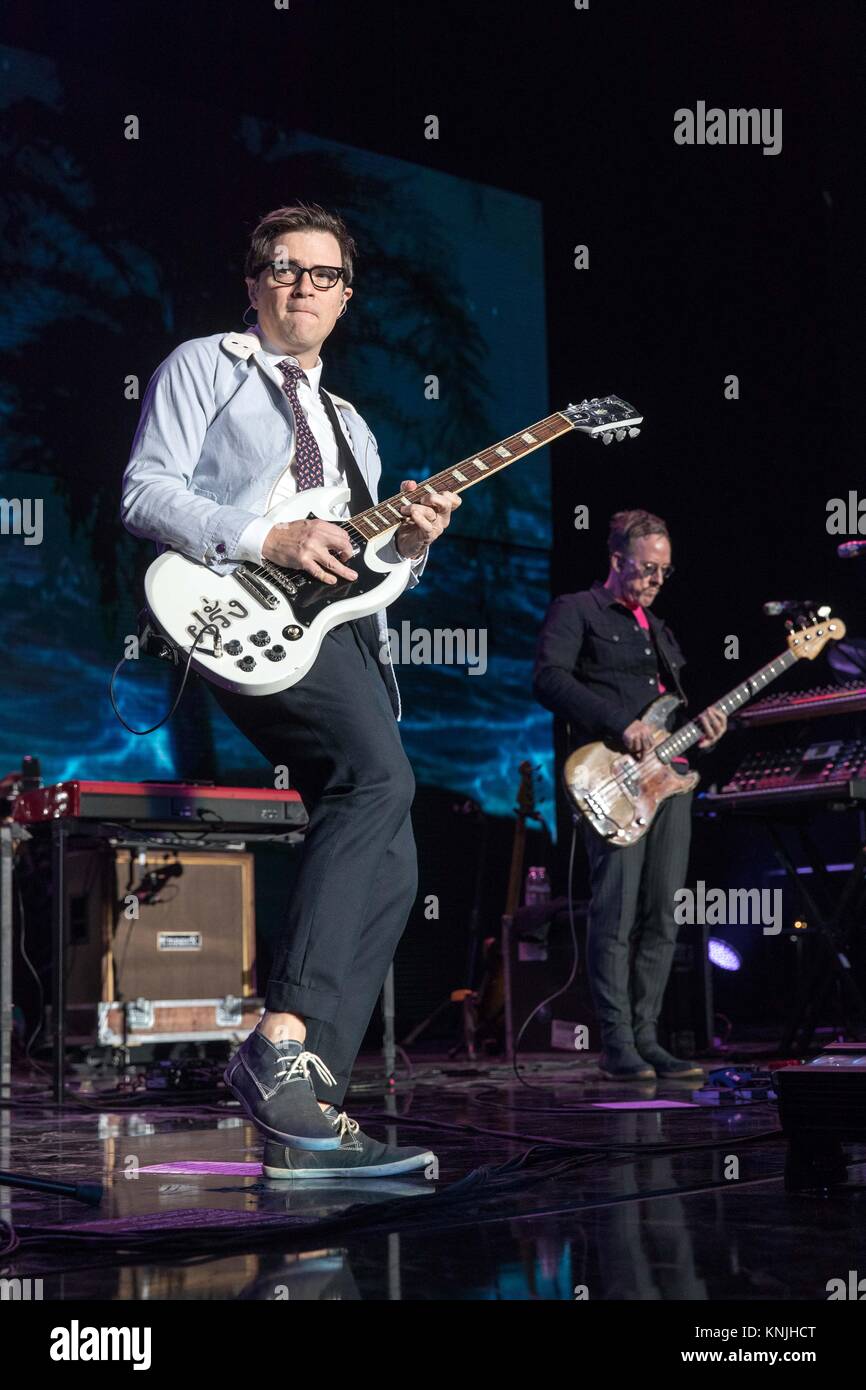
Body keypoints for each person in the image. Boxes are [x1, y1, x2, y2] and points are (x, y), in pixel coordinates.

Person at [121, 202, 461, 1175]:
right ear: (254, 283)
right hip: (231, 604)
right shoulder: (204, 365)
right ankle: (276, 1041)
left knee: (392, 862)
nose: (302, 284)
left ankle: (307, 1107)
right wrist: (264, 536)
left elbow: (366, 563)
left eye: (322, 273)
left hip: (332, 634)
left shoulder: (354, 430)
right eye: (284, 267)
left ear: (345, 298)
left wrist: (413, 543)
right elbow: (145, 490)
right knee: (377, 781)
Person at [532, 509, 726, 1080]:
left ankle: (648, 1038)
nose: (656, 581)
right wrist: (623, 724)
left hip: (670, 784)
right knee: (614, 913)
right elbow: (549, 678)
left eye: (665, 572)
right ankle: (616, 1044)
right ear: (617, 561)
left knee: (663, 916)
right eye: (647, 569)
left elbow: (678, 709)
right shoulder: (577, 611)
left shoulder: (658, 630)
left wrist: (708, 724)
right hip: (612, 780)